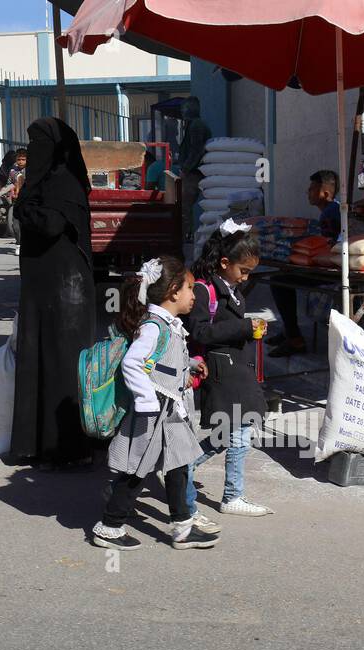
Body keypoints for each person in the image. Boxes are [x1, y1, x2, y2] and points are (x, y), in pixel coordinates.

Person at [92, 256, 219, 551]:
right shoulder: (154, 327)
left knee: (177, 466)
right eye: (189, 288)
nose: (193, 295)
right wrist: (147, 401)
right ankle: (110, 526)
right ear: (173, 292)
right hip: (153, 414)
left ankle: (183, 529)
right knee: (137, 471)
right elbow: (133, 363)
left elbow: (162, 363)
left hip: (169, 413)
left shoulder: (169, 324)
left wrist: (189, 366)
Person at [11, 118, 96, 467]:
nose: (32, 151)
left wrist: (22, 207)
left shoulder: (64, 182)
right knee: (37, 360)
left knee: (62, 366)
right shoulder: (40, 181)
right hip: (41, 287)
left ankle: (69, 449)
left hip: (67, 291)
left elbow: (51, 224)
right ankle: (38, 445)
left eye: (37, 144)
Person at [185, 220, 272, 518]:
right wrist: (243, 327)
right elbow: (198, 332)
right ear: (224, 263)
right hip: (220, 371)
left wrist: (250, 330)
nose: (246, 278)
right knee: (240, 430)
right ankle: (232, 495)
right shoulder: (203, 289)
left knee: (227, 434)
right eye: (243, 270)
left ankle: (183, 467)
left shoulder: (232, 290)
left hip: (236, 369)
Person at [269, 169, 343, 358]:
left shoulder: (330, 213)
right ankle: (288, 331)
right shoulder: (332, 210)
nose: (307, 192)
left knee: (279, 282)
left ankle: (295, 339)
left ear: (325, 193)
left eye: (312, 189)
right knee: (281, 277)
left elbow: (328, 245)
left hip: (331, 271)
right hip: (329, 265)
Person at [175, 96, 211, 243]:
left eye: (185, 108)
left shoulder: (196, 126)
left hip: (194, 173)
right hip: (195, 171)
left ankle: (186, 235)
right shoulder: (194, 125)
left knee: (184, 205)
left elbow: (196, 150)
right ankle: (187, 234)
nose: (183, 111)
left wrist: (186, 168)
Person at [7, 148, 28, 251]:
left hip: (28, 202)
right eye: (19, 159)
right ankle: (18, 245)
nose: (20, 162)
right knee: (15, 225)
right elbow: (8, 184)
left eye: (23, 159)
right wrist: (9, 192)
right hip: (16, 201)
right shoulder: (12, 171)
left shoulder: (30, 171)